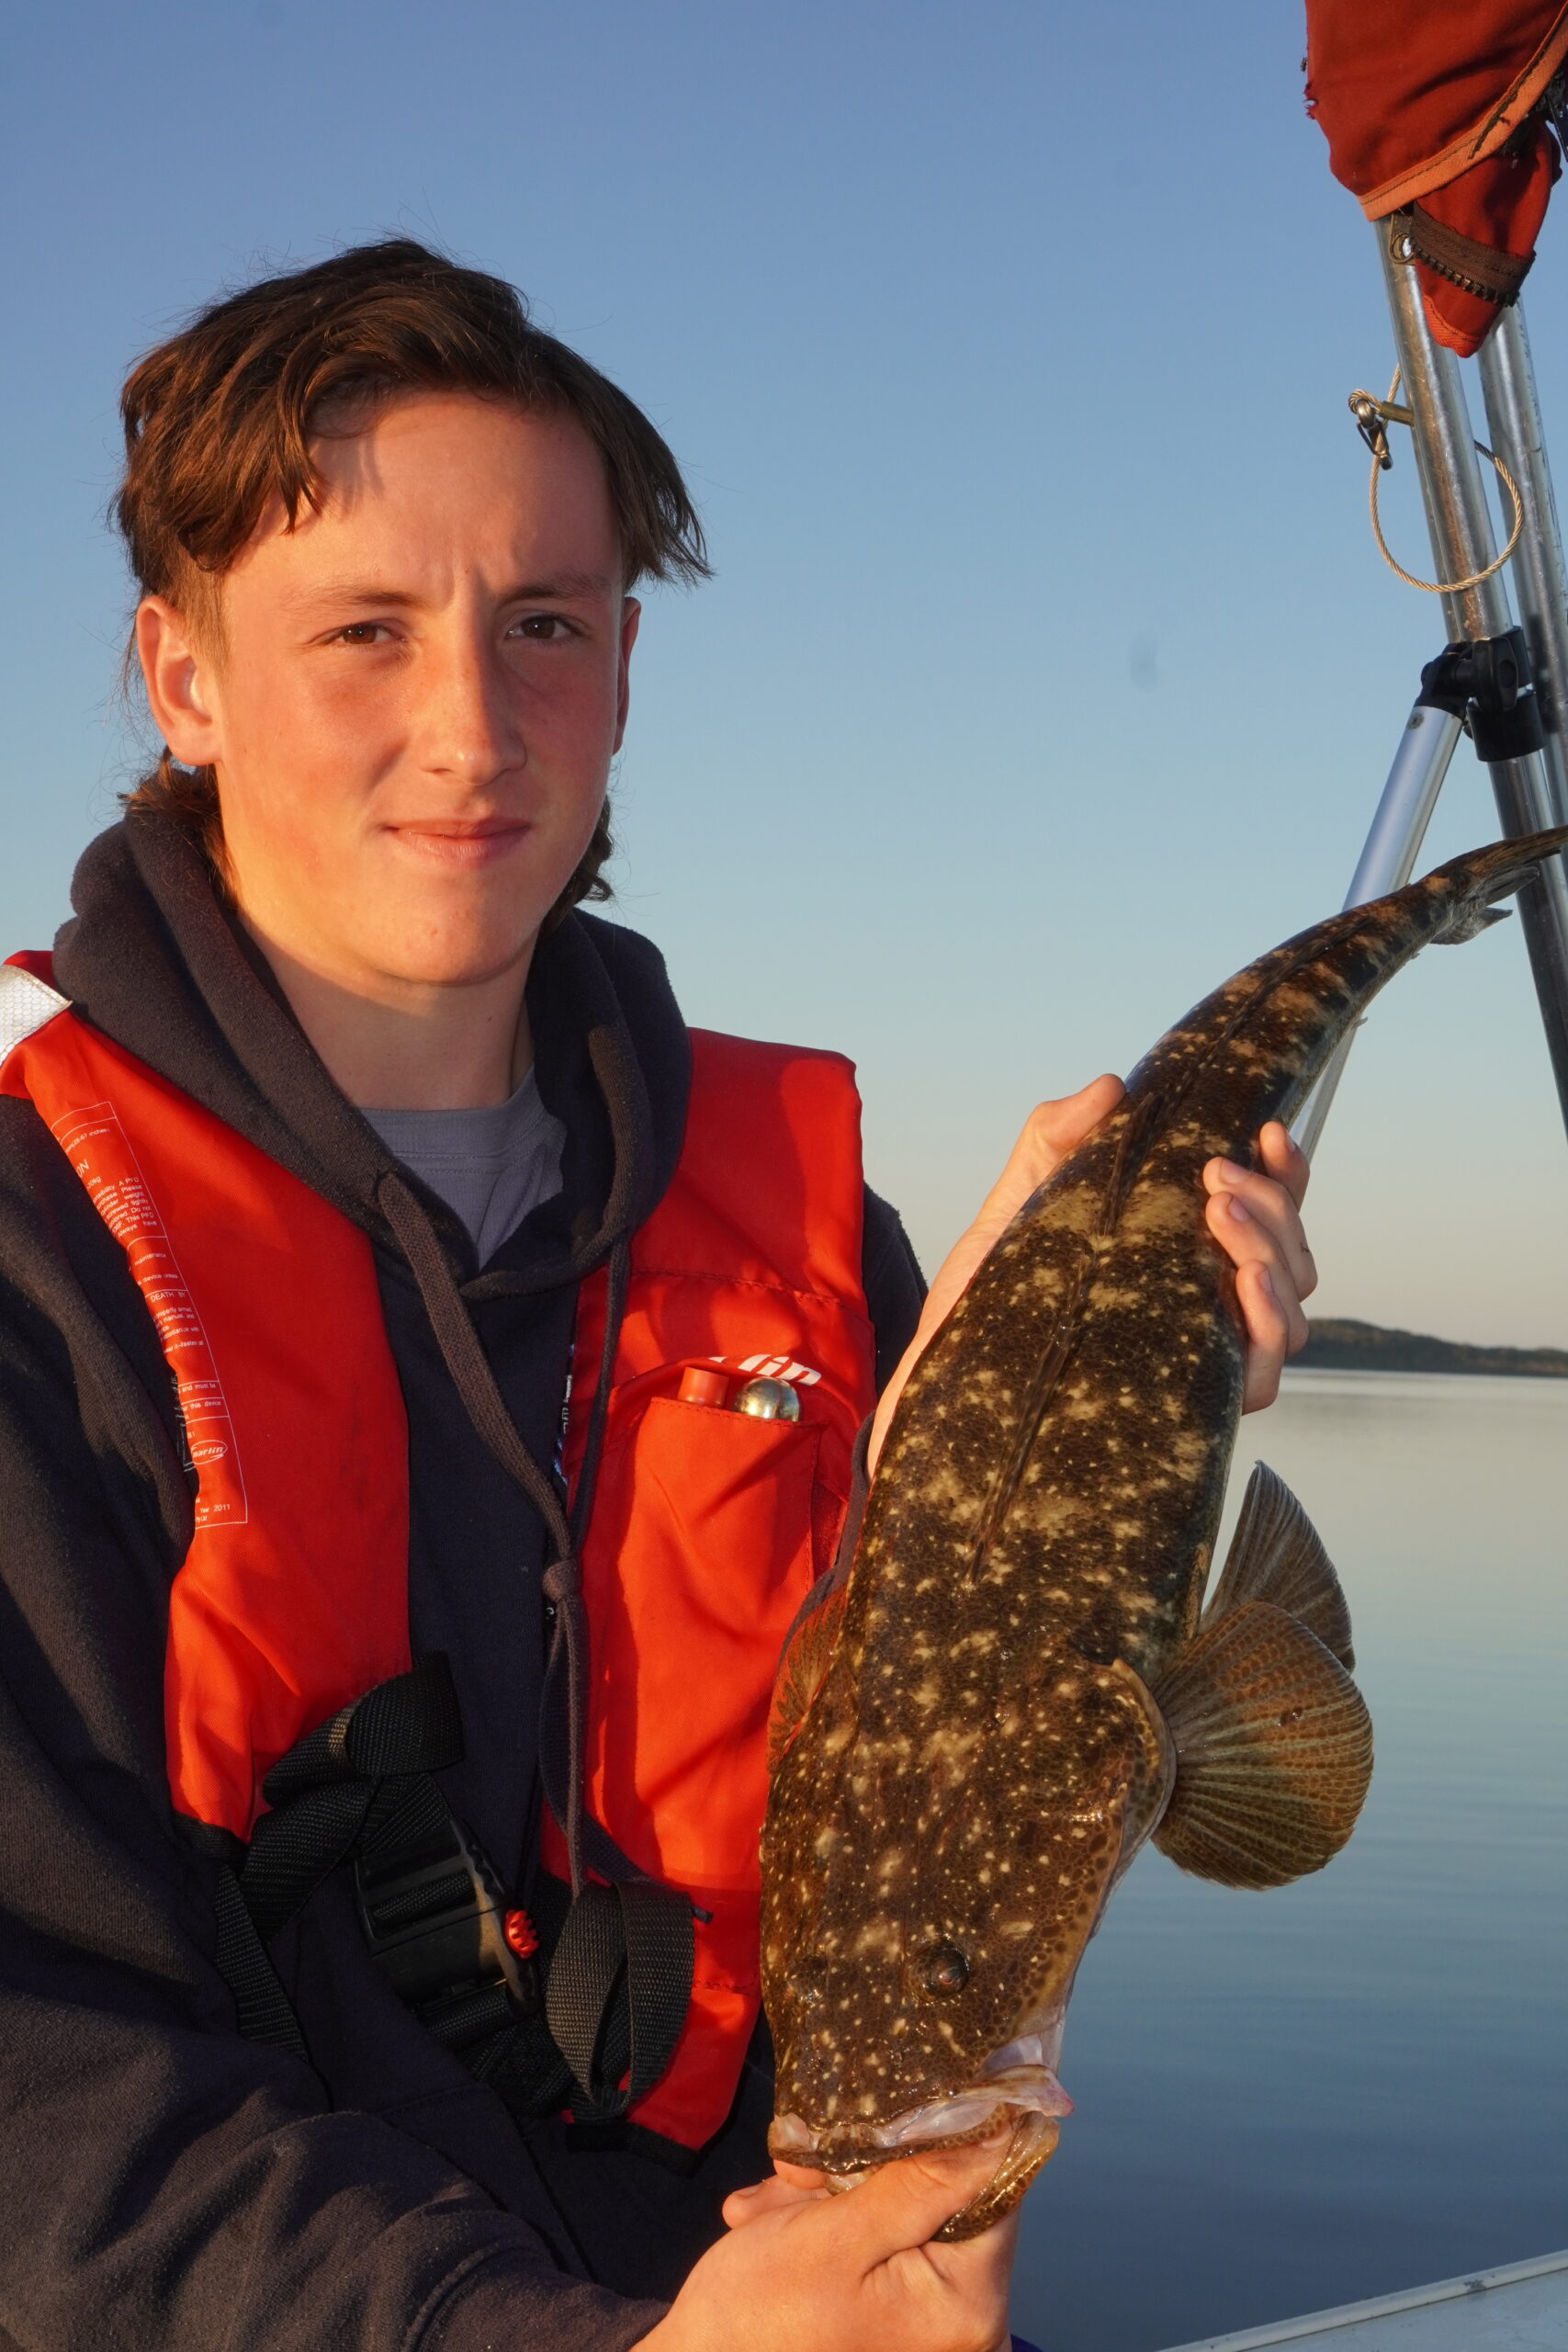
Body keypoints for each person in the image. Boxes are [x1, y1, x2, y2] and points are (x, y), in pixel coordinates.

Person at [0, 240, 1316, 2352]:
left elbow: (1014, 1785)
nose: (471, 724)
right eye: (364, 631)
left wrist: (1083, 1418)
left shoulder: (807, 1240)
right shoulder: (36, 1259)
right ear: (183, 678)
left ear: (622, 659)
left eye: (544, 624)